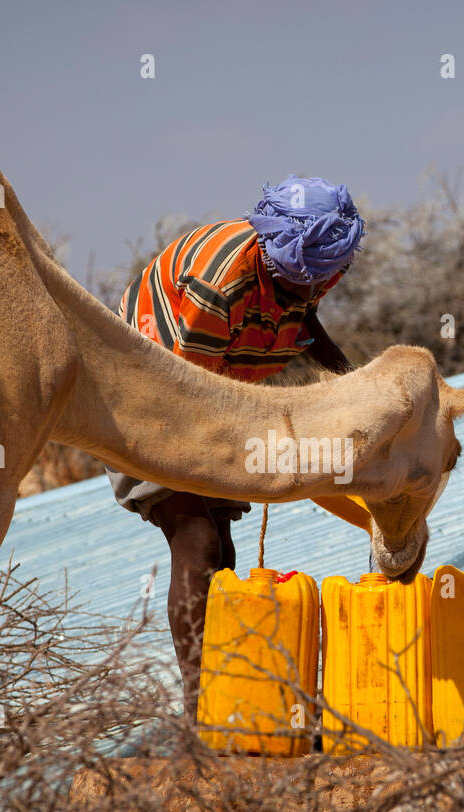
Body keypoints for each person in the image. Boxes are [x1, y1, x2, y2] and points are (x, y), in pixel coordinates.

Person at [107, 175, 364, 716]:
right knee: (195, 539)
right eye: (307, 284)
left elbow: (305, 322)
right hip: (143, 398)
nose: (315, 293)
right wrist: (271, 443)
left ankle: (228, 701)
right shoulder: (219, 284)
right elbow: (189, 393)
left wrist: (356, 387)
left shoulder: (291, 270)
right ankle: (202, 715)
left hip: (208, 398)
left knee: (221, 555)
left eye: (324, 282)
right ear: (281, 263)